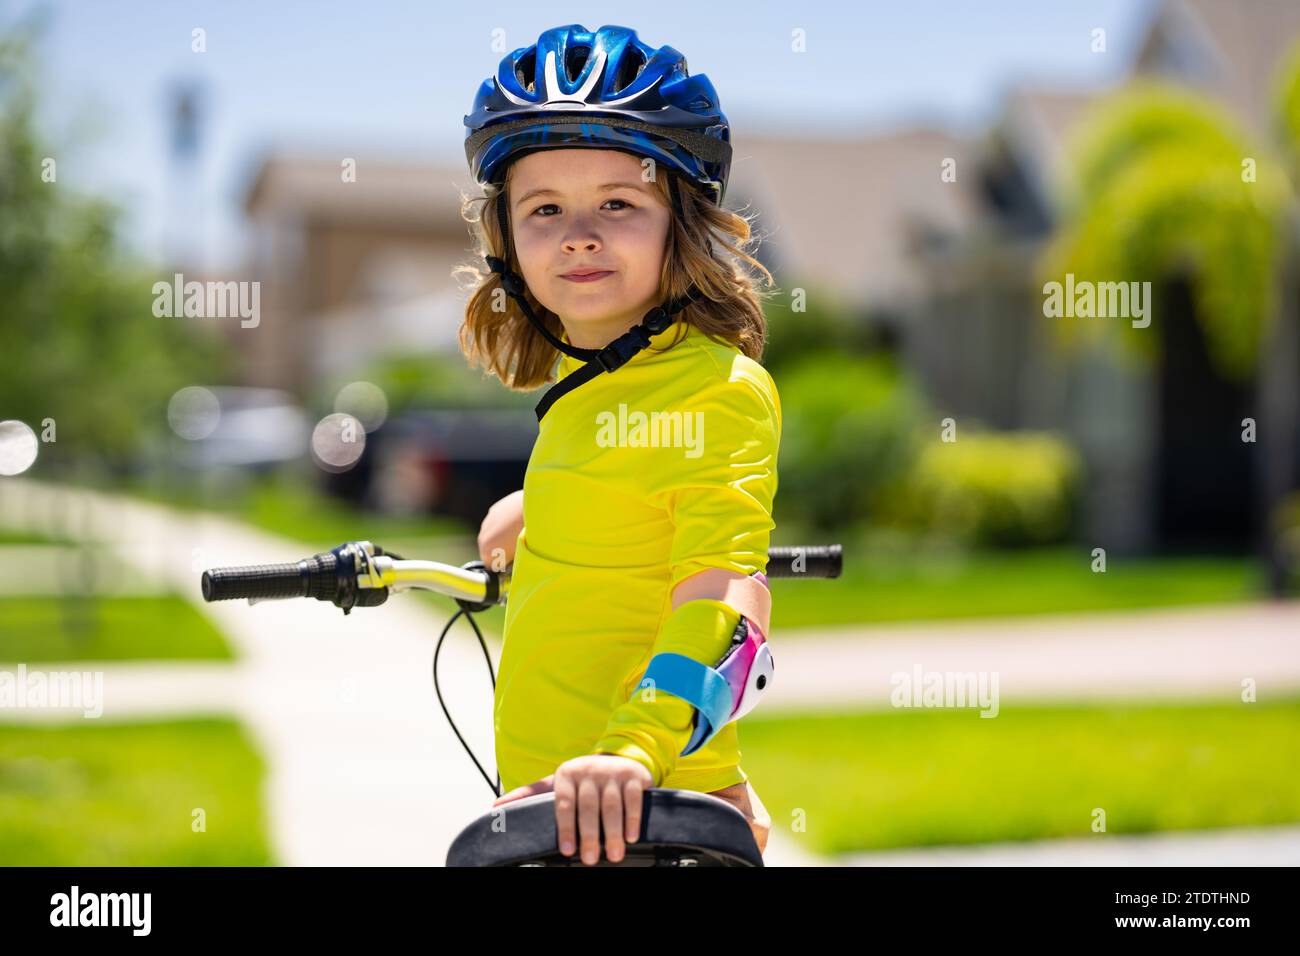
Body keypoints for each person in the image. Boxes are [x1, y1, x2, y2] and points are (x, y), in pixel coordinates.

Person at [457, 23, 780, 865]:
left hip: (644, 812)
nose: (579, 233)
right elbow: (636, 490)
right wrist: (540, 512)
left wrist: (632, 750)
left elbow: (729, 612)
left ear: (682, 223)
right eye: (545, 209)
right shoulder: (587, 393)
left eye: (619, 202)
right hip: (546, 805)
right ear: (506, 240)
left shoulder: (715, 389)